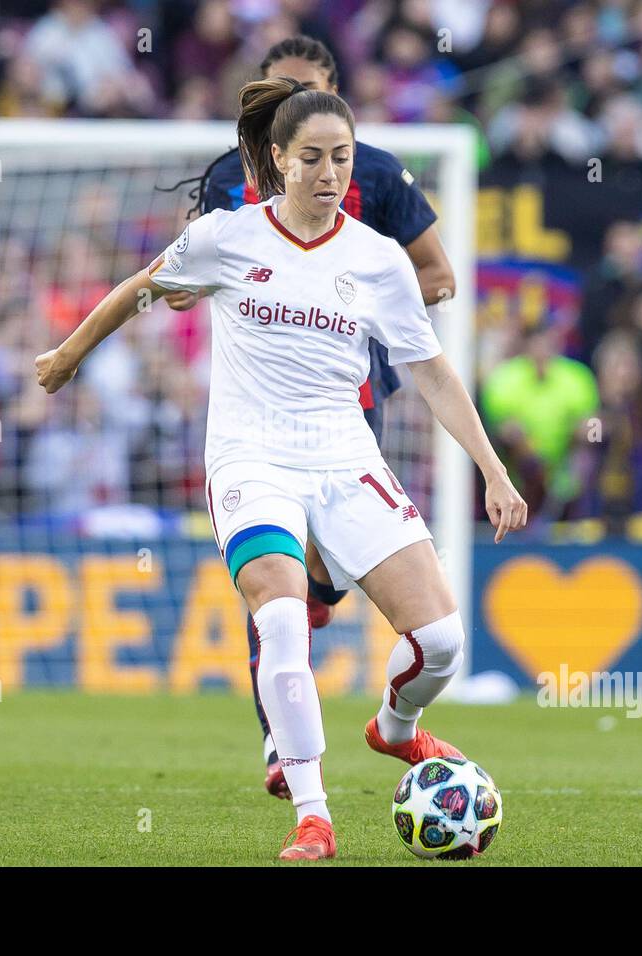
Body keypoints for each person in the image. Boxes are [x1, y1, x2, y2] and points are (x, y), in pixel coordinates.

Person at [36, 77, 526, 859]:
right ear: (277, 160)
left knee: (439, 643)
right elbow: (142, 289)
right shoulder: (226, 237)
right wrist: (67, 355)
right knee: (283, 617)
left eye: (341, 158)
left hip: (342, 453)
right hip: (250, 456)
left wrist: (493, 471)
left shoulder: (378, 261)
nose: (330, 174)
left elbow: (431, 371)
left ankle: (394, 731)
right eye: (312, 159)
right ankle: (314, 815)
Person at [164, 35, 457, 800]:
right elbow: (189, 275)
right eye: (283, 91)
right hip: (258, 406)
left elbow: (440, 275)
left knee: (325, 584)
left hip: (350, 399)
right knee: (277, 590)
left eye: (310, 86)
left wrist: (347, 307)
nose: (325, 167)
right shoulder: (229, 183)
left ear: (333, 89)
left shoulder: (382, 176)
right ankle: (286, 754)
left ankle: (328, 614)